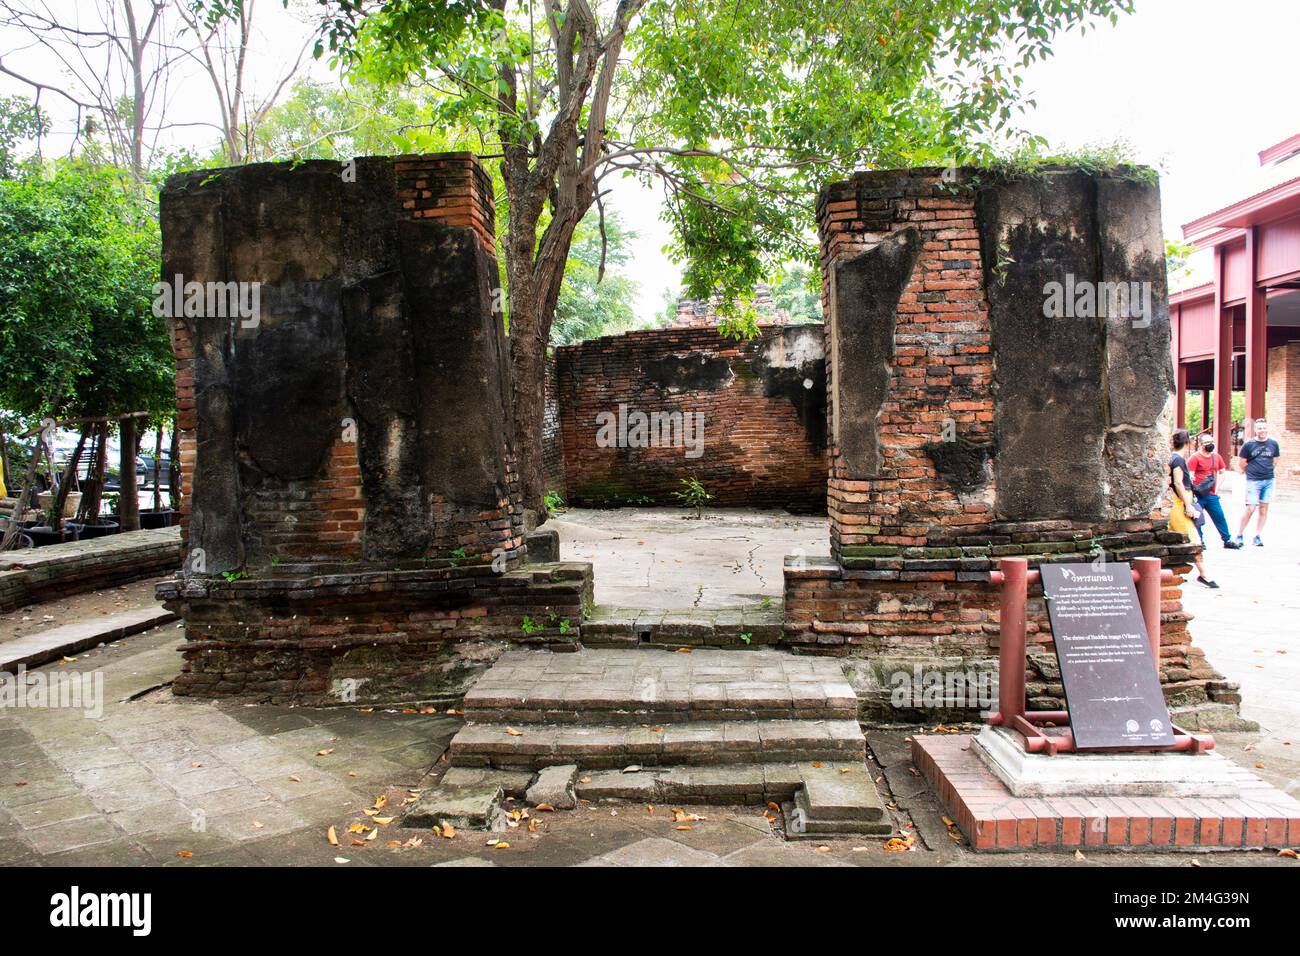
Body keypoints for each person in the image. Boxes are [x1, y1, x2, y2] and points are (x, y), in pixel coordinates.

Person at [1169, 429, 1218, 588]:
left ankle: (1174, 572)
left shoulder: (1172, 458)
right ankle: (1204, 574)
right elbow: (1178, 483)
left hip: (1179, 501)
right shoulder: (1177, 460)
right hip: (1179, 503)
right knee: (1192, 538)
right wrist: (1188, 505)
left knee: (1176, 537)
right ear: (1189, 443)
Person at [1233, 419, 1281, 547]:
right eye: (1260, 428)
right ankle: (1239, 534)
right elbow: (1241, 463)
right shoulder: (1249, 445)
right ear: (1256, 430)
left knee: (1264, 509)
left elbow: (1275, 461)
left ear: (1267, 428)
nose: (1262, 430)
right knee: (1250, 508)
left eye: (1264, 428)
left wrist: (1267, 471)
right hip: (1253, 480)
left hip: (1268, 480)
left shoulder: (1273, 444)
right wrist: (1250, 472)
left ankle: (1257, 536)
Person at [1188, 433, 1241, 549]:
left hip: (1211, 494)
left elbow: (1222, 472)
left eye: (1212, 442)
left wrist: (1217, 488)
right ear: (1201, 445)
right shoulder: (1195, 458)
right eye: (1207, 443)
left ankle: (1227, 540)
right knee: (1197, 518)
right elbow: (1190, 475)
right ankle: (1199, 541)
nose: (1210, 445)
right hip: (1198, 494)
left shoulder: (1216, 457)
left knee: (1219, 516)